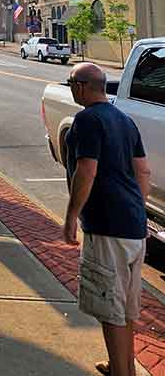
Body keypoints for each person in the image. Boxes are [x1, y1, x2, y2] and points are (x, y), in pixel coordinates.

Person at [63, 62, 151, 376]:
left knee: (109, 307)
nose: (71, 87)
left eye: (71, 82)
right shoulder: (124, 121)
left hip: (107, 227)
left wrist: (71, 216)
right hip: (133, 228)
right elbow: (143, 170)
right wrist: (136, 208)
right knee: (125, 309)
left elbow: (87, 169)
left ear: (82, 86)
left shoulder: (86, 120)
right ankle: (121, 366)